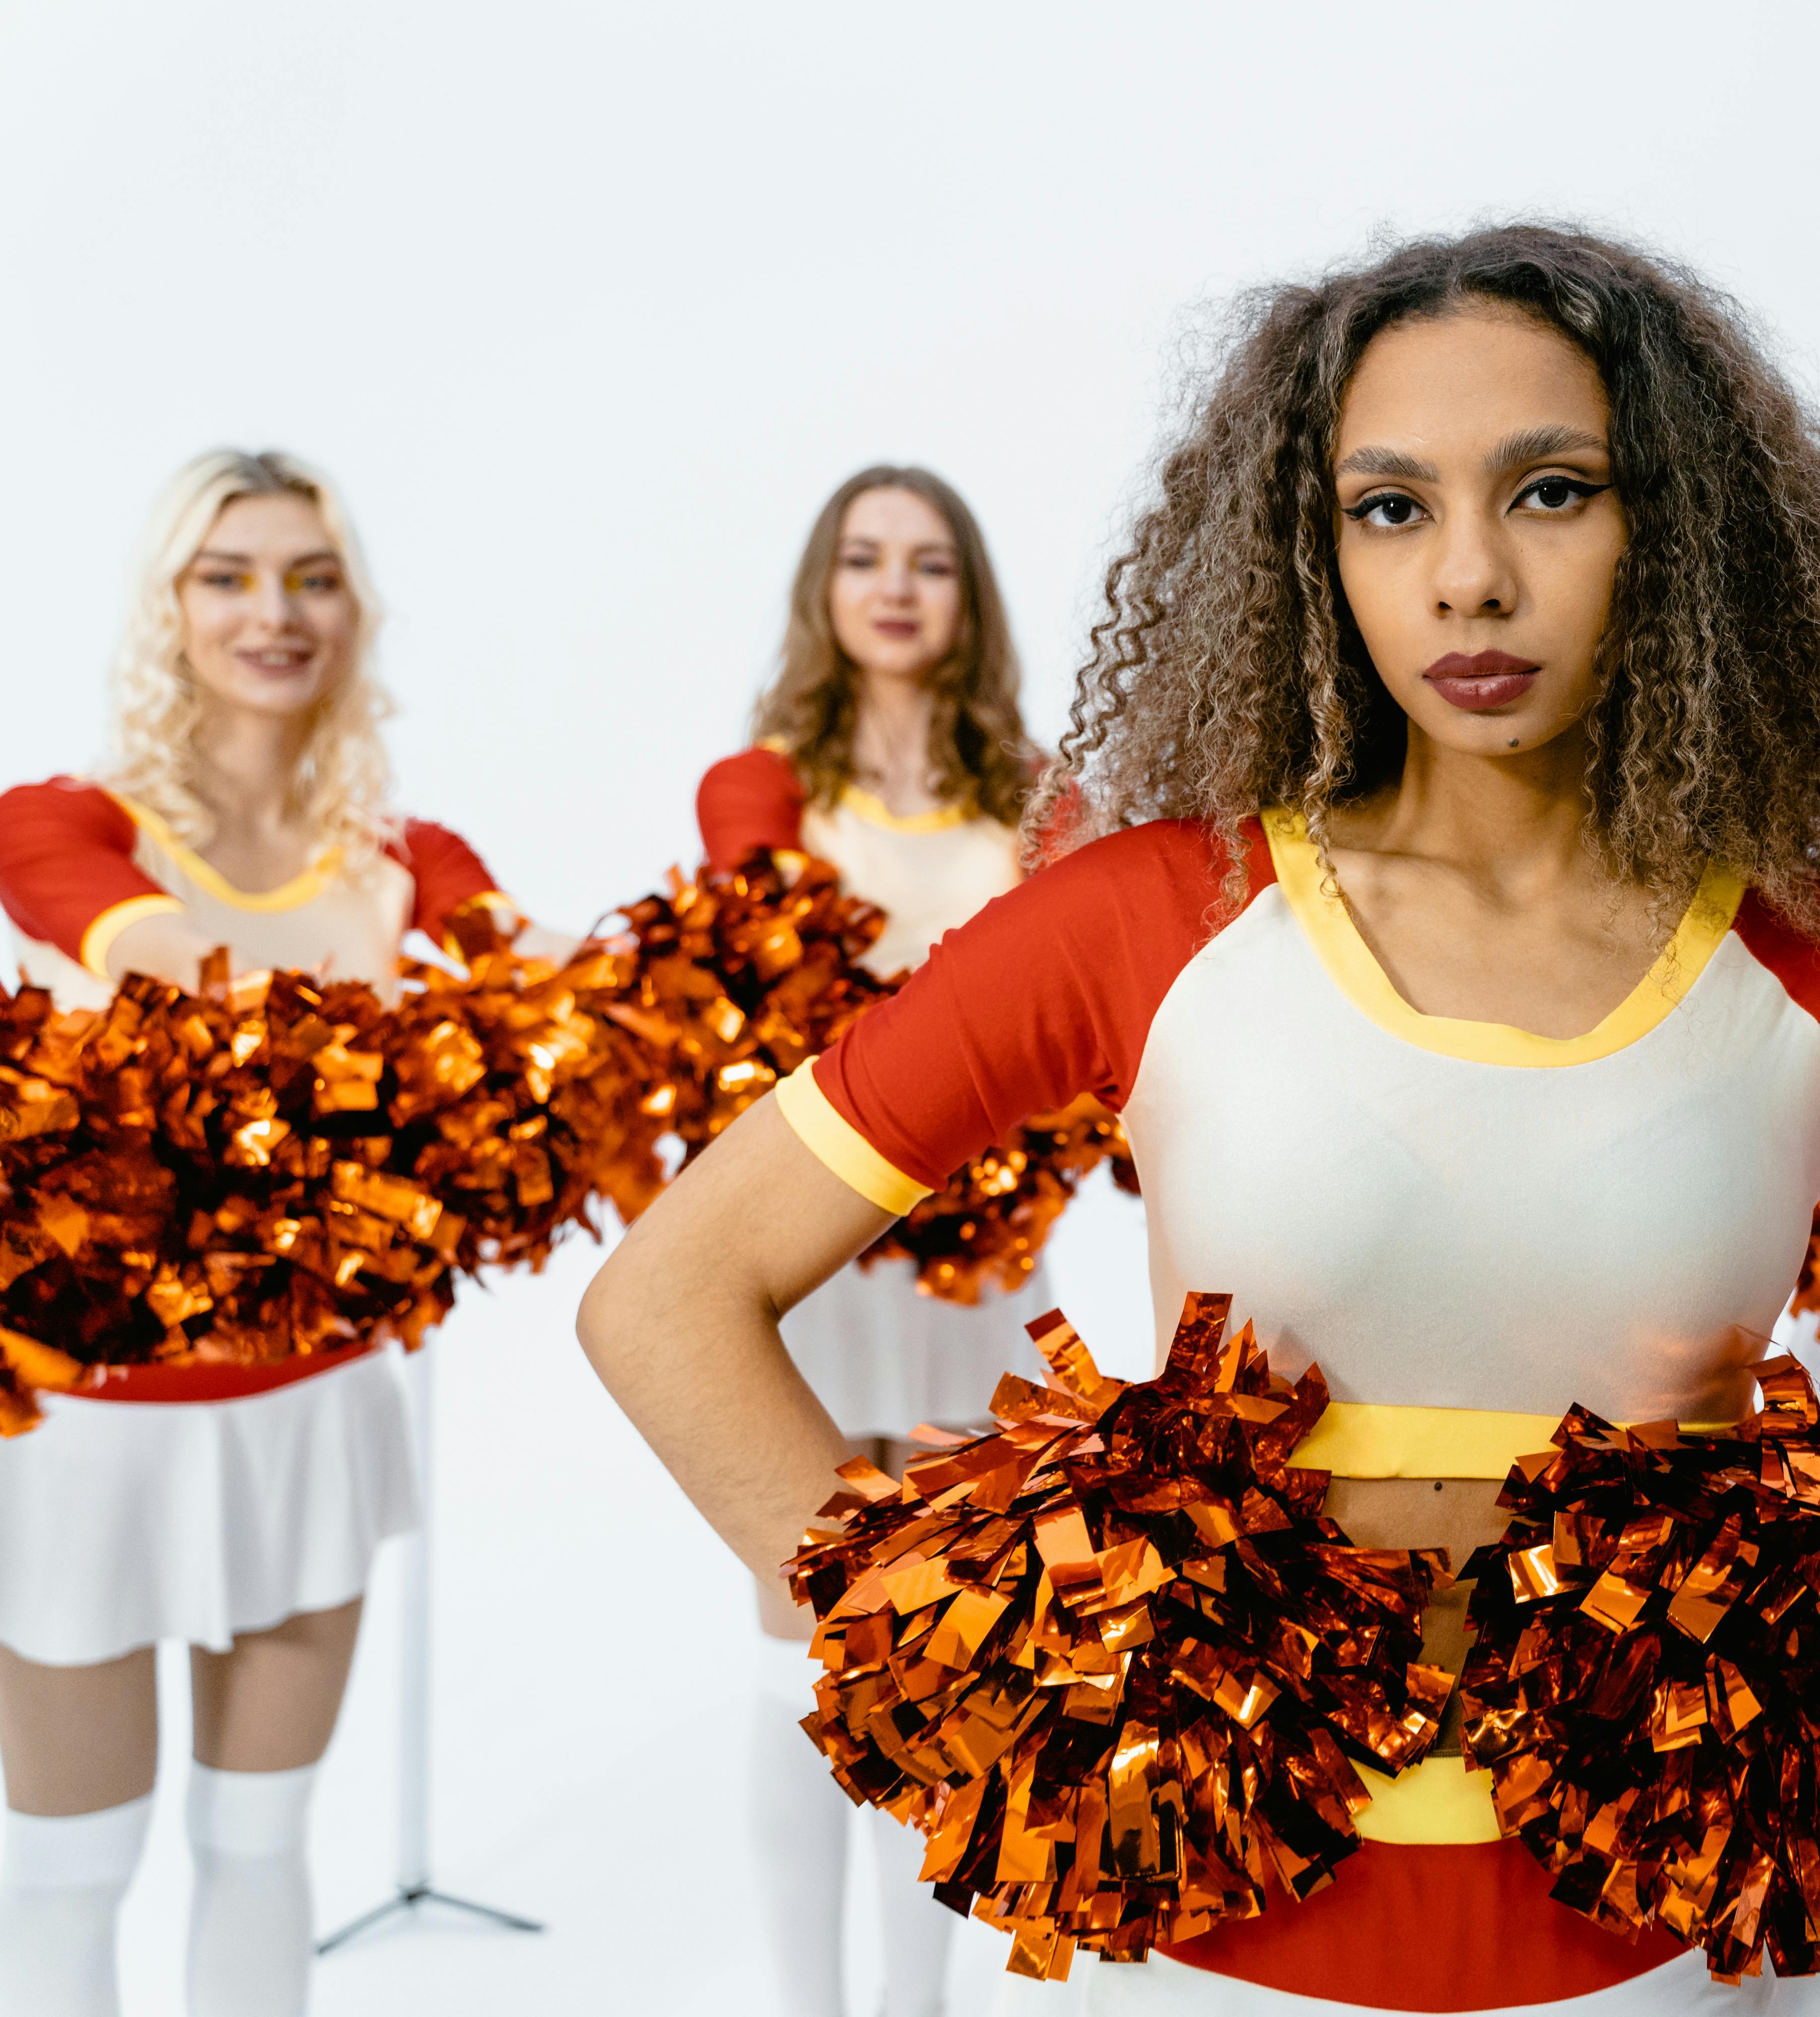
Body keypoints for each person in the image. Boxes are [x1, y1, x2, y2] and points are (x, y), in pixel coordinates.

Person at [578, 223, 1820, 2017]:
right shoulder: (1152, 914)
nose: (1470, 578)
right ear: (1308, 553)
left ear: (1679, 534)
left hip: (1664, 1957)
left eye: (1552, 491)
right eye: (1390, 508)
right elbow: (669, 1299)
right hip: (1207, 1946)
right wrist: (959, 1689)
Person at [0, 449, 541, 2017]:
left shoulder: (410, 861)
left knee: (259, 1846)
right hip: (91, 1434)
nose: (273, 611)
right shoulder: (60, 823)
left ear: (352, 607)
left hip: (313, 1410)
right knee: (71, 1870)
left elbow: (555, 994)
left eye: (311, 575)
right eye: (228, 575)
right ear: (169, 608)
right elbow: (172, 963)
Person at [693, 465, 1055, 2017]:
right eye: (864, 559)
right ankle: (805, 2001)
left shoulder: (1038, 795)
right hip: (813, 1260)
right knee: (802, 1607)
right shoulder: (762, 783)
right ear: (823, 592)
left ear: (969, 597)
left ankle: (918, 2000)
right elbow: (758, 971)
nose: (896, 587)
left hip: (981, 1270)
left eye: (930, 563)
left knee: (941, 1621)